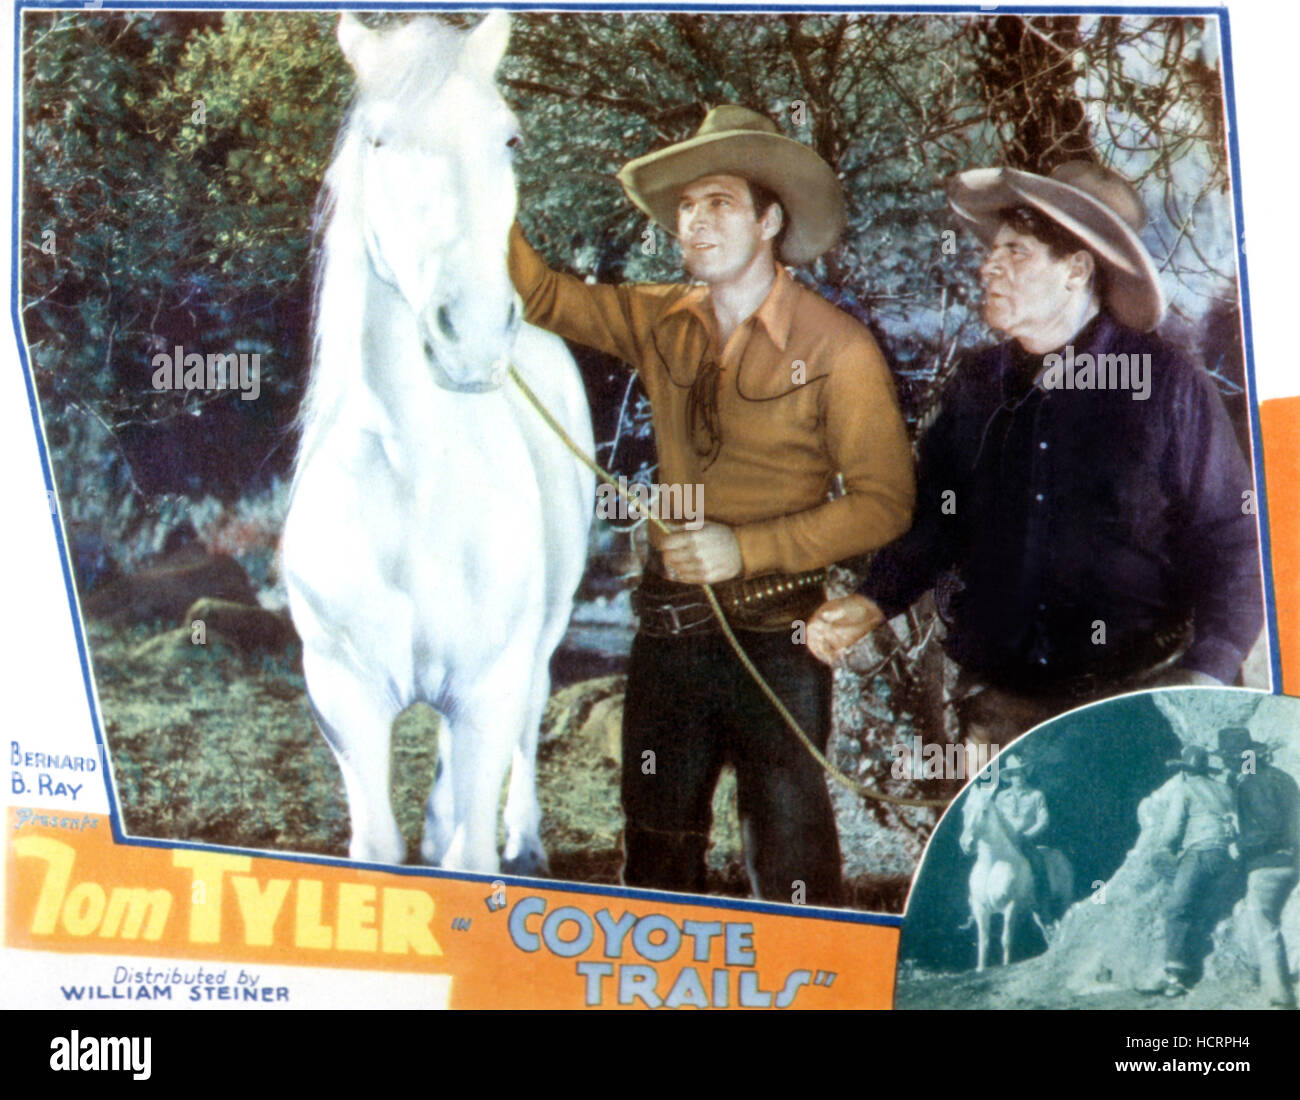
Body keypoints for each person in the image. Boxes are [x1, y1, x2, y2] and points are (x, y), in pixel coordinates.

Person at [508, 105, 915, 904]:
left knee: (795, 872)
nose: (694, 222)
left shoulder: (839, 348)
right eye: (686, 207)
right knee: (655, 862)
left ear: (769, 220)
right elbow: (543, 295)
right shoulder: (660, 319)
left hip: (779, 645)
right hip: (667, 635)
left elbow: (887, 504)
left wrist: (747, 548)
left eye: (718, 203)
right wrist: (479, 180)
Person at [807, 162, 1263, 748]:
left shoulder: (1166, 383)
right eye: (993, 250)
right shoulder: (975, 387)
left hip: (1140, 710)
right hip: (996, 715)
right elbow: (938, 523)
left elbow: (1233, 539)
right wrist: (874, 600)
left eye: (1016, 252)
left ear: (1076, 269)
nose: (988, 266)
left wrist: (1205, 674)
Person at [1217, 726, 1300, 1008]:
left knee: (1264, 929)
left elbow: (1268, 827)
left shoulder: (1252, 782)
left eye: (1228, 759)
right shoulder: (1283, 778)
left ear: (1236, 758)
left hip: (1267, 864)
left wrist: (1239, 845)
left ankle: (1278, 997)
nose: (1226, 765)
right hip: (1292, 861)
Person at [1149, 744, 1239, 997]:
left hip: (1199, 854)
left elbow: (1172, 829)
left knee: (1175, 909)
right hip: (1226, 860)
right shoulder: (1225, 790)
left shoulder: (1185, 788)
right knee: (1196, 902)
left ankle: (1175, 976)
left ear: (1186, 770)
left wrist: (1165, 848)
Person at [993, 757, 1053, 917]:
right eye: (1013, 775)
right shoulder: (1001, 797)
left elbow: (1043, 820)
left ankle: (1044, 909)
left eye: (1020, 774)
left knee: (1038, 864)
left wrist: (1027, 835)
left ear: (1025, 775)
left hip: (1026, 841)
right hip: (1005, 843)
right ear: (1009, 777)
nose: (1017, 778)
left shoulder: (1036, 795)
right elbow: (995, 820)